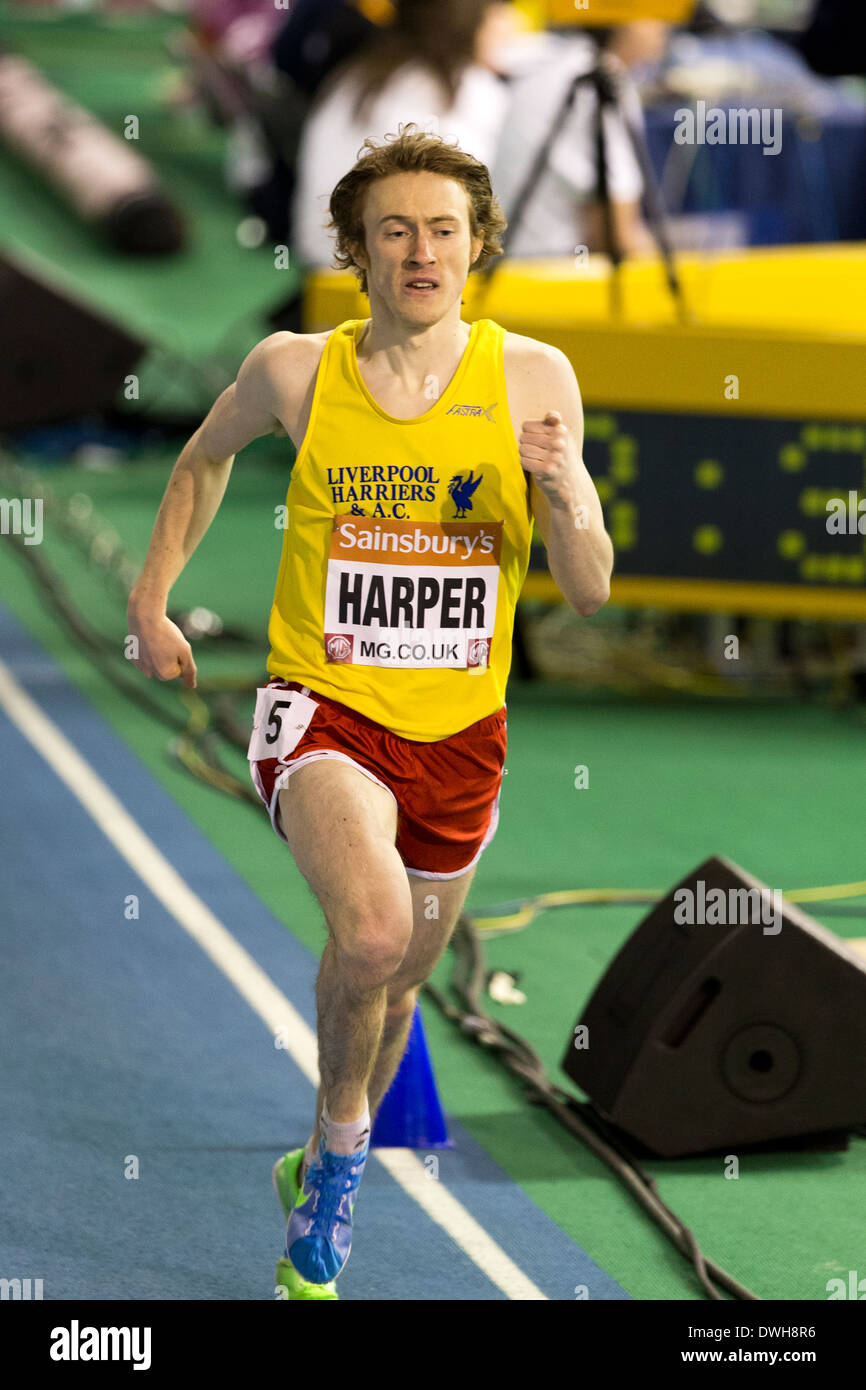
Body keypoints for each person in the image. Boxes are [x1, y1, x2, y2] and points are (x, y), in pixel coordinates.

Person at [126, 123, 613, 1299]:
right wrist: (153, 603)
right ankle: (343, 1164)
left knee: (392, 981)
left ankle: (319, 1144)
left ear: (477, 245)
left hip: (462, 737)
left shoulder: (534, 378)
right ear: (354, 249)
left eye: (442, 229)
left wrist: (563, 490)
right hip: (323, 707)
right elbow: (199, 462)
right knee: (378, 931)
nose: (420, 250)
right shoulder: (296, 369)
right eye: (392, 229)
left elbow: (590, 589)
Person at [292, 0, 514, 266]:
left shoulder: (354, 76)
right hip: (398, 281)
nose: (510, 24)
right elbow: (498, 205)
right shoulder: (468, 89)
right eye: (499, 7)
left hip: (327, 275)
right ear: (471, 18)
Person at [492, 21, 669, 259]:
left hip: (511, 264)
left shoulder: (558, 63)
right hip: (549, 276)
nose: (665, 21)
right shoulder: (598, 81)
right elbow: (617, 236)